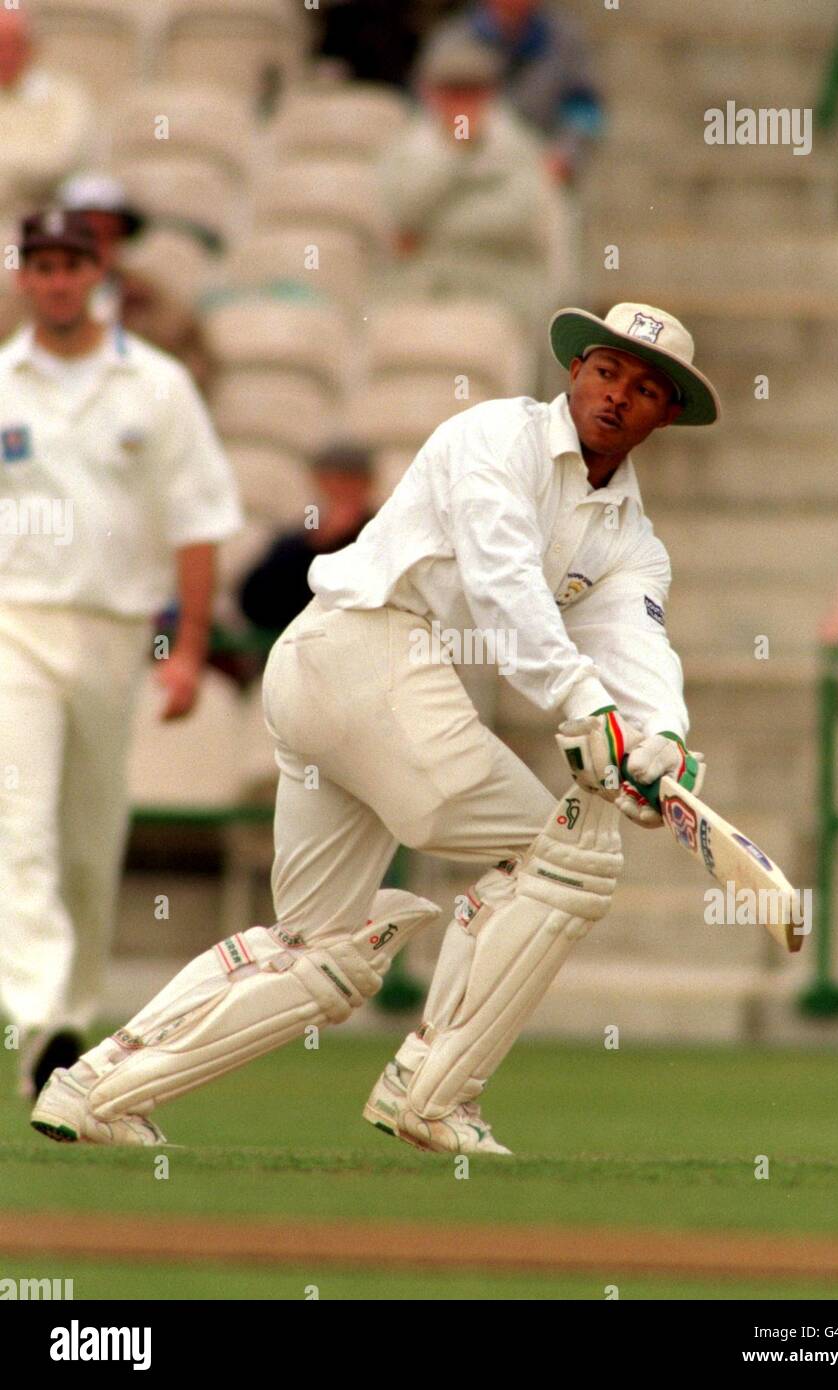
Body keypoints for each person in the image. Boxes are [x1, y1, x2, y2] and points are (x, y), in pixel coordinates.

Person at [29, 300, 718, 1154]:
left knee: (321, 948)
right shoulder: (493, 437)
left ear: (668, 414)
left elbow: (632, 638)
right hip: (361, 652)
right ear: (574, 370)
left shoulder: (632, 540)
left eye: (644, 387)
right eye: (606, 370)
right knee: (571, 855)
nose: (616, 395)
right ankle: (431, 1095)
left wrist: (663, 739)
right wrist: (586, 708)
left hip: (352, 683)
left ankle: (96, 1089)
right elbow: (503, 582)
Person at [0, 210, 242, 1100]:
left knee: (88, 849)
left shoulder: (159, 386)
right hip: (13, 626)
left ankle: (72, 1015)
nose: (58, 281)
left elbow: (200, 522)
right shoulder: (2, 383)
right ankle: (41, 1023)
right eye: (43, 266)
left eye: (73, 265)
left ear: (98, 272)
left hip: (113, 634)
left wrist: (187, 654)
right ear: (25, 277)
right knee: (15, 830)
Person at [378, 32, 571, 337]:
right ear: (430, 94)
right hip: (424, 290)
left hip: (501, 291)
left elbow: (516, 220)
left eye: (471, 93)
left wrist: (428, 234)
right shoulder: (406, 148)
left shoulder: (520, 147)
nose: (461, 105)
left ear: (490, 95)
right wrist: (454, 158)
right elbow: (399, 215)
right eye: (452, 93)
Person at [0, 174, 217, 398]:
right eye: (86, 232)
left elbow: (192, 373)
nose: (97, 244)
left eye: (108, 234)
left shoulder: (154, 305)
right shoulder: (13, 310)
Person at [421, 0, 604, 184]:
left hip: (541, 173)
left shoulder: (565, 41)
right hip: (463, 174)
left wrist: (565, 156)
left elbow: (586, 108)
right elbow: (423, 110)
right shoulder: (451, 40)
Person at [239, 442, 377, 635]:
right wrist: (320, 542)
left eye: (348, 481)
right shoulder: (307, 530)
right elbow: (255, 602)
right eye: (331, 481)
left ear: (366, 484)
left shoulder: (379, 532)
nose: (339, 490)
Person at [0, 10, 96, 210]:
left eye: (13, 45)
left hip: (45, 213)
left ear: (31, 48)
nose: (5, 55)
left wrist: (6, 166)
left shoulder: (64, 96)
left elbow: (58, 160)